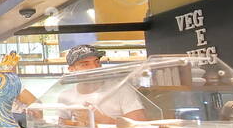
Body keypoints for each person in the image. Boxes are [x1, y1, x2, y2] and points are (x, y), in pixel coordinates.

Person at [17, 45, 149, 123]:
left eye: (97, 62)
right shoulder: (65, 96)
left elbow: (139, 127)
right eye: (85, 64)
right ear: (71, 69)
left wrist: (100, 119)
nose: (94, 67)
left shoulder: (120, 89)